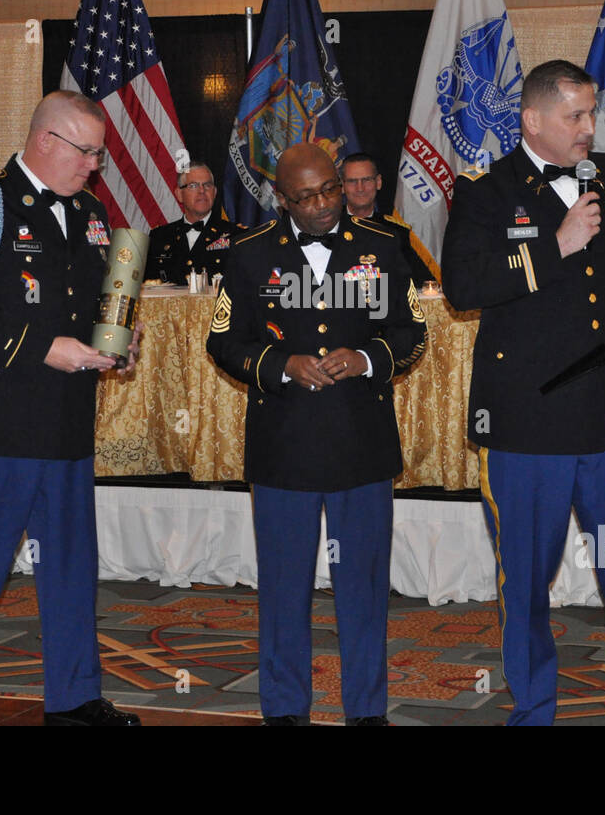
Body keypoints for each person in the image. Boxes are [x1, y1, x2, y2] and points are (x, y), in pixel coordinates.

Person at [442, 60, 605, 726]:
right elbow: (463, 284)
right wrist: (556, 243)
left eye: (591, 113)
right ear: (532, 120)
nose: (588, 128)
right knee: (526, 590)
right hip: (529, 424)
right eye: (574, 115)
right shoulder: (486, 192)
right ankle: (534, 715)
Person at [0, 90, 143, 726]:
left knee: (71, 574)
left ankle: (74, 701)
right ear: (46, 141)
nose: (95, 166)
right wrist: (45, 348)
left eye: (99, 155)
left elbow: (101, 302)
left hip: (67, 426)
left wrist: (120, 345)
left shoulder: (93, 213)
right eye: (87, 153)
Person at [206, 143, 427, 725]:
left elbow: (412, 331)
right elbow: (223, 341)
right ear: (282, 200)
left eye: (331, 188)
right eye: (307, 196)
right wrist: (281, 365)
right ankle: (283, 709)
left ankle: (368, 711)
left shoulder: (382, 247)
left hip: (362, 444)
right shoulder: (251, 256)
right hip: (285, 447)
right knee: (283, 589)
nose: (325, 203)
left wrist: (369, 356)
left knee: (365, 590)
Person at [340, 153, 436, 287]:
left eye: (366, 180)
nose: (360, 188)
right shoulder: (328, 227)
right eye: (352, 181)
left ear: (378, 182)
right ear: (342, 186)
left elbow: (424, 283)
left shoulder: (396, 231)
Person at [149, 162, 244, 285]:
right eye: (193, 186)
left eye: (207, 185)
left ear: (214, 193)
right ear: (179, 194)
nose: (202, 191)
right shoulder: (159, 237)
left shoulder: (238, 236)